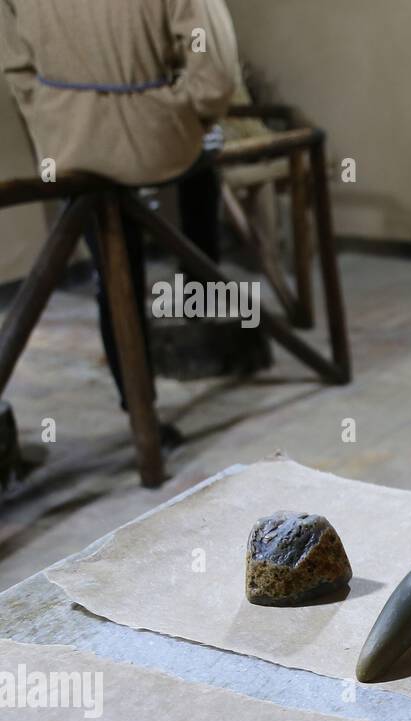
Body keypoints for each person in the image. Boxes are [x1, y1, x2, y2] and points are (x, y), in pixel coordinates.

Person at [0, 0, 241, 441]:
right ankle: (202, 291)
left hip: (68, 142)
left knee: (112, 276)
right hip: (156, 137)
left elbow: (16, 66)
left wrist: (53, 114)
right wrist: (183, 111)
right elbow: (216, 74)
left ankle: (139, 414)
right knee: (204, 169)